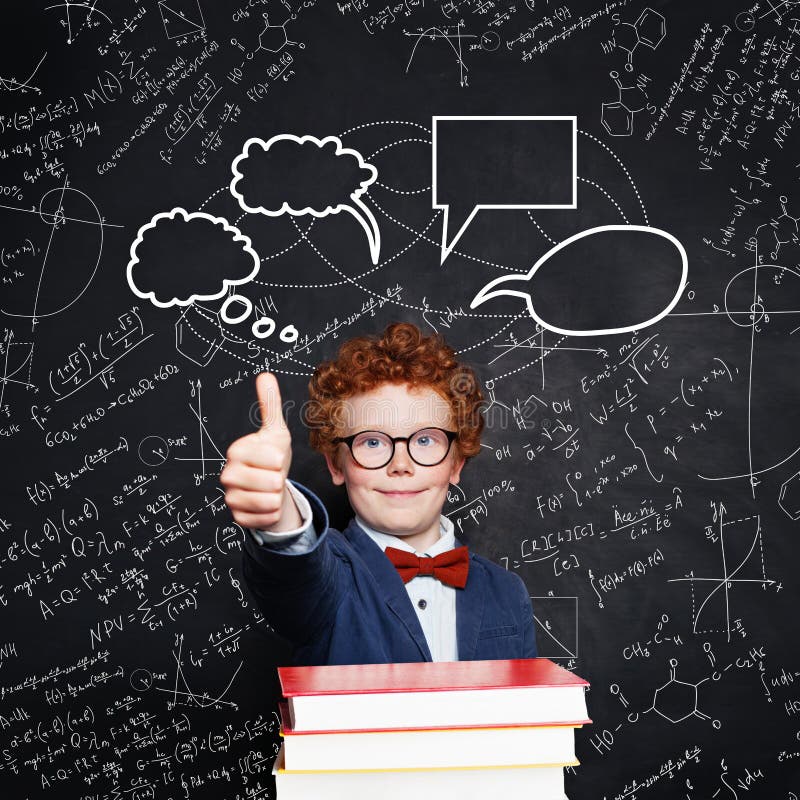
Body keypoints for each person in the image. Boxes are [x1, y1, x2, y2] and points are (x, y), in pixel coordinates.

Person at [221, 322, 537, 666]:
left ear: (456, 464)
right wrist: (279, 513)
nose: (400, 464)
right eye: (372, 442)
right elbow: (295, 572)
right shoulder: (330, 580)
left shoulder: (508, 591)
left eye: (425, 440)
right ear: (337, 466)